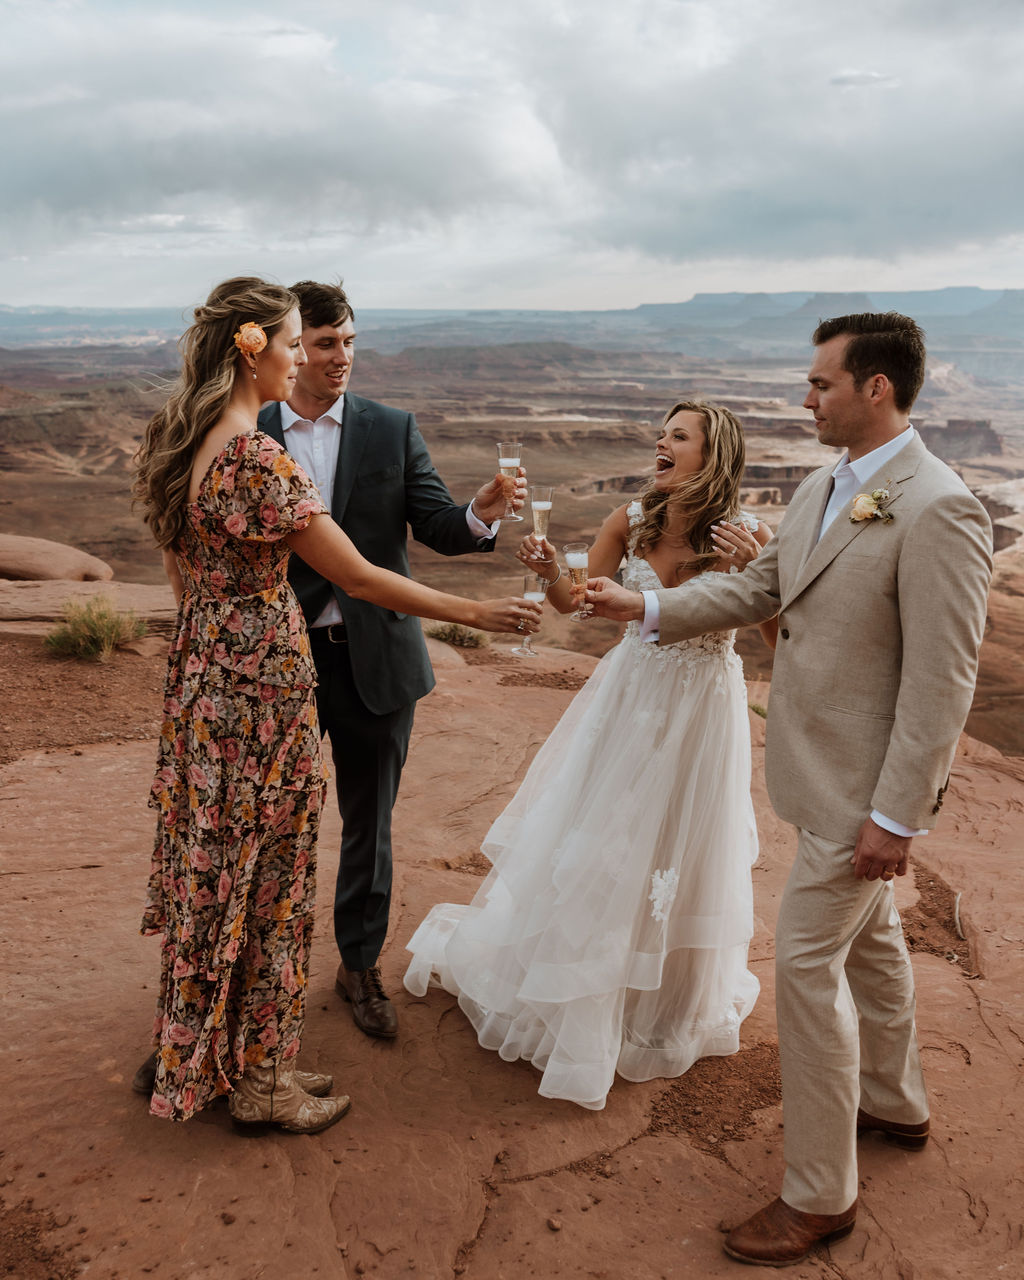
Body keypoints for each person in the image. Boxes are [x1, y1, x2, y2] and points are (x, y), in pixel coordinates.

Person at [585, 314, 992, 1265]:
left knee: (807, 971)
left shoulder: (937, 507)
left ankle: (819, 1195)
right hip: (814, 776)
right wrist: (646, 604)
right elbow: (755, 588)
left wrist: (897, 816)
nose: (805, 398)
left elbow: (943, 681)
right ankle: (893, 1104)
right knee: (875, 948)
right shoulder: (822, 486)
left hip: (863, 799)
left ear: (876, 388)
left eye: (820, 384)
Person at [132, 277, 540, 1133]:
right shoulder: (256, 454)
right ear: (260, 351)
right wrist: (477, 613)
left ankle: (198, 1047)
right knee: (271, 879)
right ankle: (259, 1082)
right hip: (268, 687)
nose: (316, 355)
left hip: (211, 675)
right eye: (297, 341)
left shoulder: (184, 436)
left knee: (215, 864)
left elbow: (181, 573)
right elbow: (355, 573)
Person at [403, 400, 776, 1110]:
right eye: (660, 433)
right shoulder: (630, 522)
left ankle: (663, 1006)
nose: (659, 443)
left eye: (678, 436)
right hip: (631, 701)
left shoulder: (749, 534)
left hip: (702, 711)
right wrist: (548, 570)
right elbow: (574, 602)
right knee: (604, 839)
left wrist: (757, 572)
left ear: (712, 455)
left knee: (679, 847)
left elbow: (779, 641)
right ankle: (581, 995)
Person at [257, 280, 523, 1042]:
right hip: (279, 664)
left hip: (376, 663)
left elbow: (437, 526)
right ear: (289, 348)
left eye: (350, 343)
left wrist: (481, 512)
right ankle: (261, 971)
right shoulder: (249, 429)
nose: (343, 359)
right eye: (326, 343)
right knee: (273, 824)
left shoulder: (389, 427)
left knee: (369, 824)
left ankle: (358, 966)